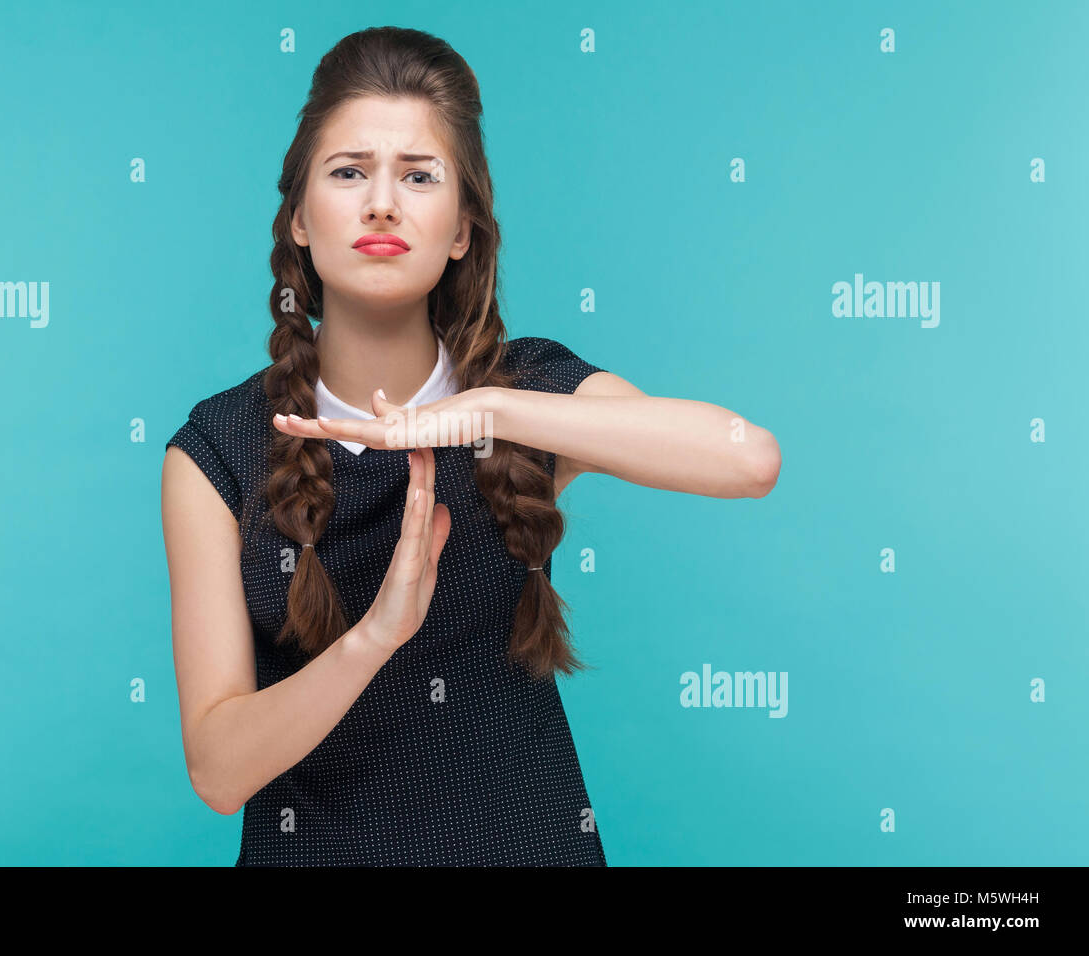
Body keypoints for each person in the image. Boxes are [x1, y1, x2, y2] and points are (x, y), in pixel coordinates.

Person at [161, 26, 780, 866]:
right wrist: (378, 634)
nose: (383, 203)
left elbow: (747, 459)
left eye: (420, 176)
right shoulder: (218, 450)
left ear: (461, 228)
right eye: (350, 173)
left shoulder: (523, 395)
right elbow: (218, 771)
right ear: (300, 219)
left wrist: (489, 408)